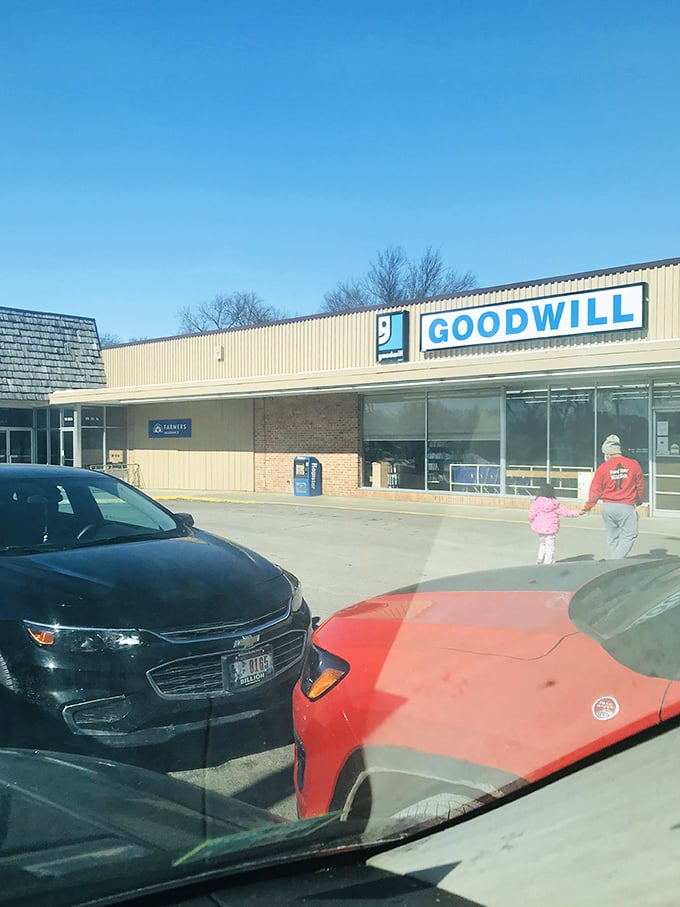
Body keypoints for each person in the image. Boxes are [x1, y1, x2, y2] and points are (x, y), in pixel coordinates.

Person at [580, 434, 645, 559]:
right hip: (626, 506)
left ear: (608, 454)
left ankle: (614, 561)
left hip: (608, 507)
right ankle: (614, 562)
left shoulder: (603, 468)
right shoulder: (633, 464)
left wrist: (588, 506)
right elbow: (640, 485)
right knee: (629, 536)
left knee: (612, 537)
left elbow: (595, 489)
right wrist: (639, 500)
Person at [528, 482, 580, 565]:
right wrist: (577, 513)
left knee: (542, 543)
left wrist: (533, 522)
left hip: (540, 527)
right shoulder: (555, 503)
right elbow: (566, 512)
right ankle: (548, 562)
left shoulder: (537, 502)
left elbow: (531, 514)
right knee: (550, 545)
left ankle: (540, 558)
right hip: (551, 528)